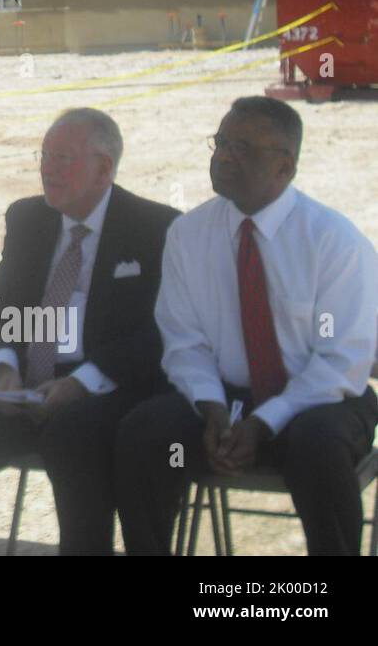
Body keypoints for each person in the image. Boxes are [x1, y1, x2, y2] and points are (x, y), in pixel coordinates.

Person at [0, 108, 178, 554]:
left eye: (63, 158)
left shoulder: (156, 227)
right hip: (26, 392)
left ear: (104, 168)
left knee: (71, 432)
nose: (48, 168)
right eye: (45, 155)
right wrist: (4, 370)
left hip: (106, 392)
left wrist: (78, 383)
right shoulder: (29, 219)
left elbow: (157, 335)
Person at [115, 96, 378, 556]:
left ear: (285, 167)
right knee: (146, 434)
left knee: (317, 449)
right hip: (227, 401)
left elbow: (342, 361)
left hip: (323, 400)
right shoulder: (189, 234)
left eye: (243, 148)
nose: (223, 157)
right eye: (220, 143)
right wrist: (212, 408)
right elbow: (184, 340)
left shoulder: (334, 240)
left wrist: (265, 422)